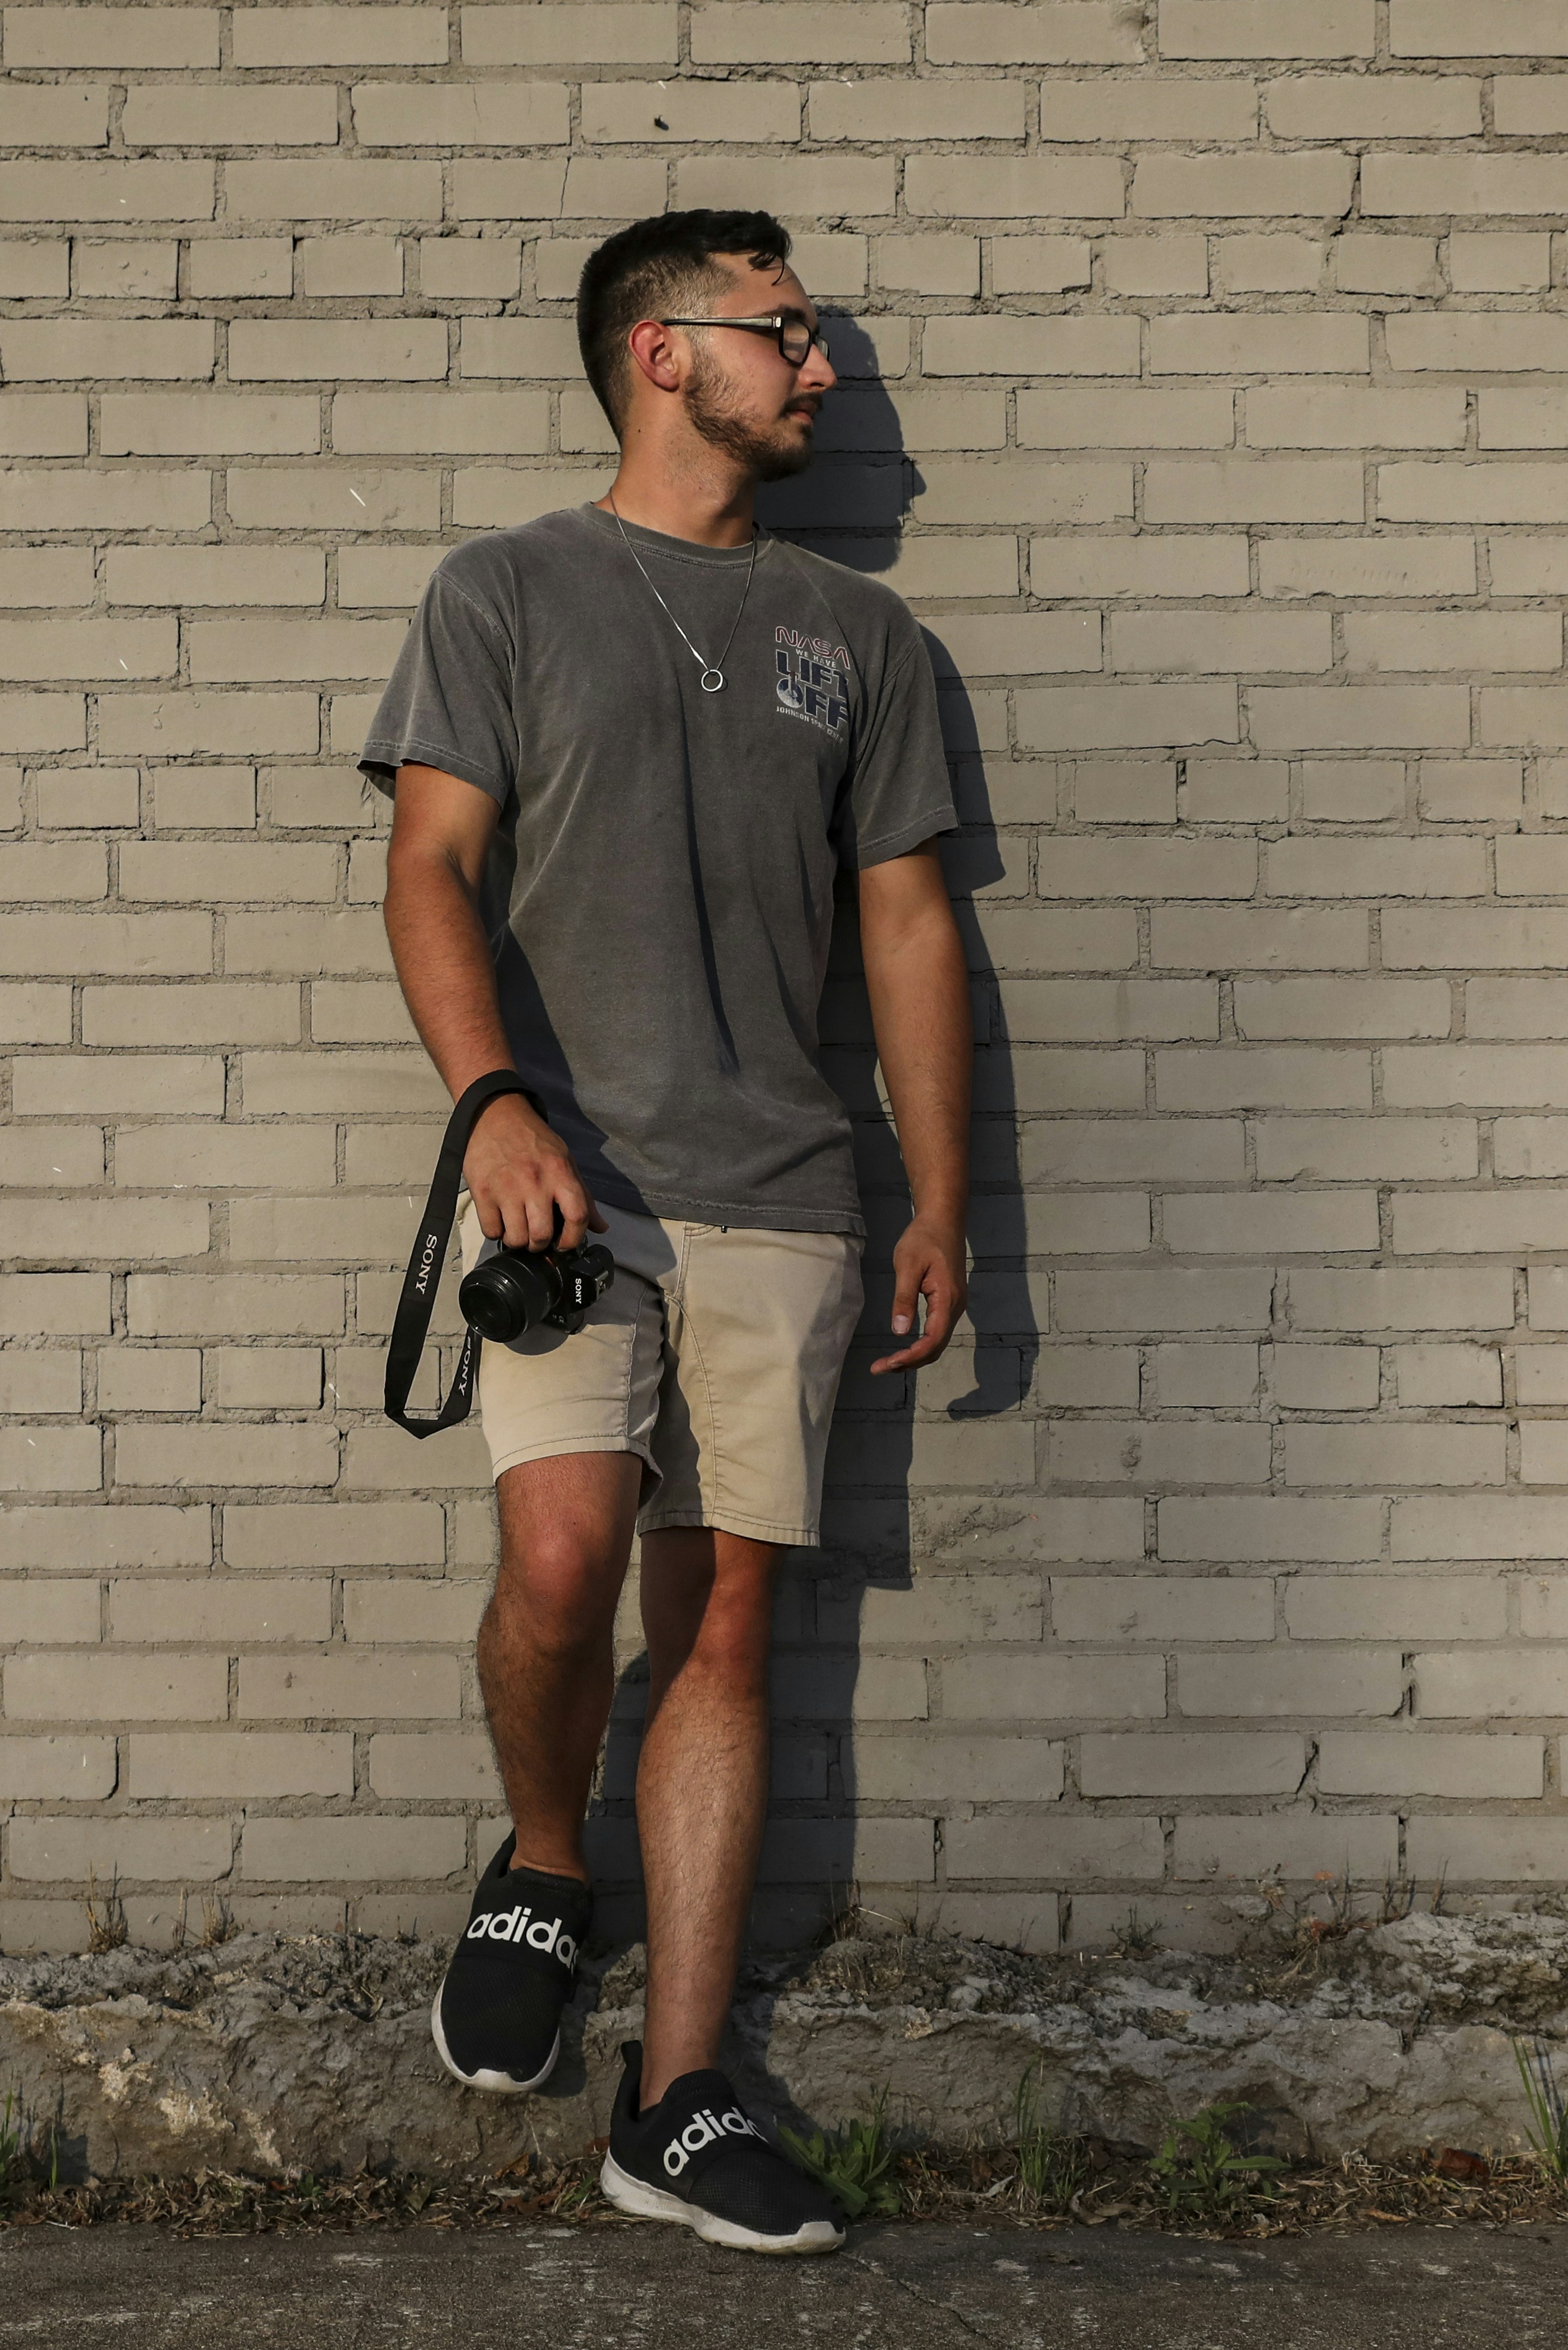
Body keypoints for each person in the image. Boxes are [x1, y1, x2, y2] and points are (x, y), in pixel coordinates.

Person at [359, 209, 971, 2255]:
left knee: (728, 1625)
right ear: (662, 352)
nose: (820, 368)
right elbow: (430, 866)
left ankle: (680, 2091)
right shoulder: (508, 591)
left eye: (816, 339)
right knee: (560, 1557)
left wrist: (939, 1191)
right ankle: (546, 1856)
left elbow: (906, 923)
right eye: (786, 331)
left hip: (788, 1193)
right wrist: (491, 1106)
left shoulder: (860, 638)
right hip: (570, 1181)